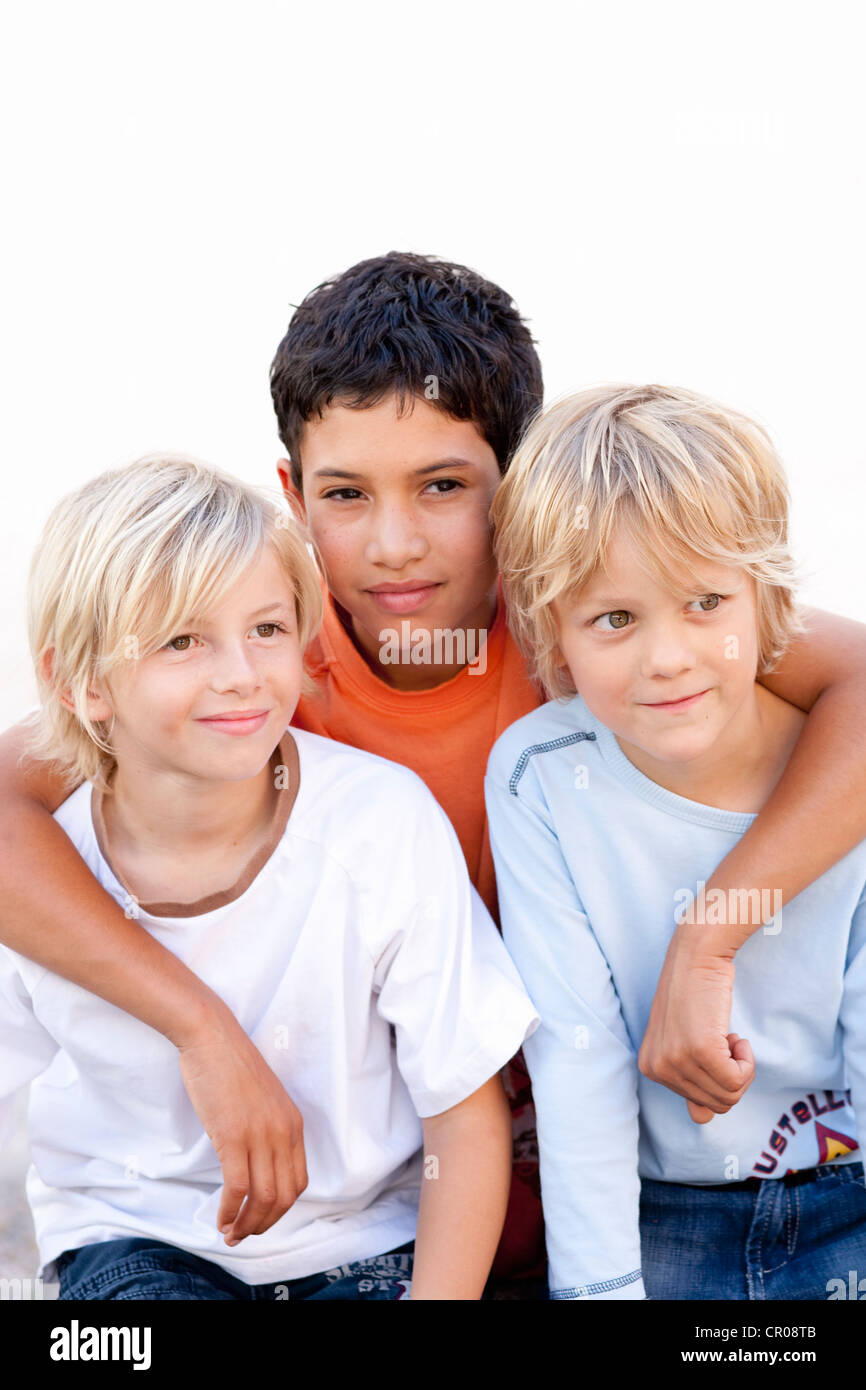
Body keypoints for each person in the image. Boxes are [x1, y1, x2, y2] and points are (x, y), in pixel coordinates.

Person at [1, 256, 866, 1289]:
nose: (395, 544)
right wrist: (198, 1027)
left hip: (613, 1175)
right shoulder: (259, 665)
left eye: (445, 486)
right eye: (346, 495)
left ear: (517, 487)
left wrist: (712, 929)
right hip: (379, 1204)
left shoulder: (595, 632)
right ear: (294, 493)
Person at [2, 454, 539, 1301]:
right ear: (79, 683)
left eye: (268, 629)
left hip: (366, 1240)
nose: (241, 674)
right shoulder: (49, 869)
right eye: (182, 641)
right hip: (134, 1244)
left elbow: (464, 1108)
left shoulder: (378, 822)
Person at [485, 384, 866, 1299]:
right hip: (664, 1212)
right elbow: (576, 1057)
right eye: (615, 618)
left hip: (846, 1198)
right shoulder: (540, 775)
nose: (668, 657)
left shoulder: (836, 772)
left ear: (767, 600)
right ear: (551, 633)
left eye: (704, 602)